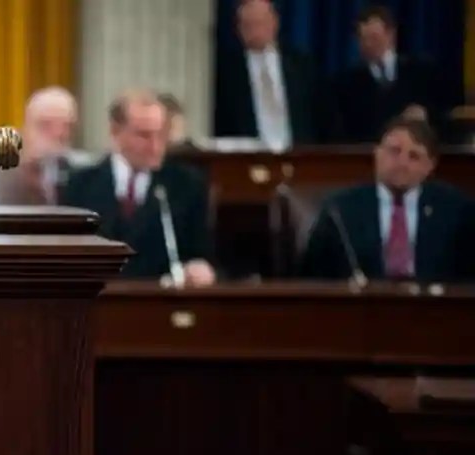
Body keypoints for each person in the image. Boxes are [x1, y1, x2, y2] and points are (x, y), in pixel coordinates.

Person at [62, 89, 216, 284]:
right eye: (144, 135)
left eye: (161, 135)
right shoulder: (80, 185)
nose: (156, 146)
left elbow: (202, 254)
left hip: (160, 302)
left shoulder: (186, 185)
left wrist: (200, 268)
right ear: (115, 132)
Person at [302, 118, 474, 283]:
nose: (402, 163)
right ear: (377, 154)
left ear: (429, 166)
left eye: (414, 156)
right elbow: (311, 277)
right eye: (394, 151)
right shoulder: (340, 210)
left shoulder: (455, 210)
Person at [333, 5, 452, 143]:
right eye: (362, 39)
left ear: (391, 34)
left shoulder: (421, 72)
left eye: (374, 38)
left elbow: (443, 114)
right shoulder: (345, 83)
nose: (368, 44)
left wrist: (425, 114)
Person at [214, 0, 321, 148]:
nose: (255, 31)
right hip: (249, 157)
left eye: (260, 23)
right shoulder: (227, 71)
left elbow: (316, 117)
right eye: (248, 25)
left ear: (274, 23)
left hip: (298, 155)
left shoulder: (301, 65)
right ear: (238, 29)